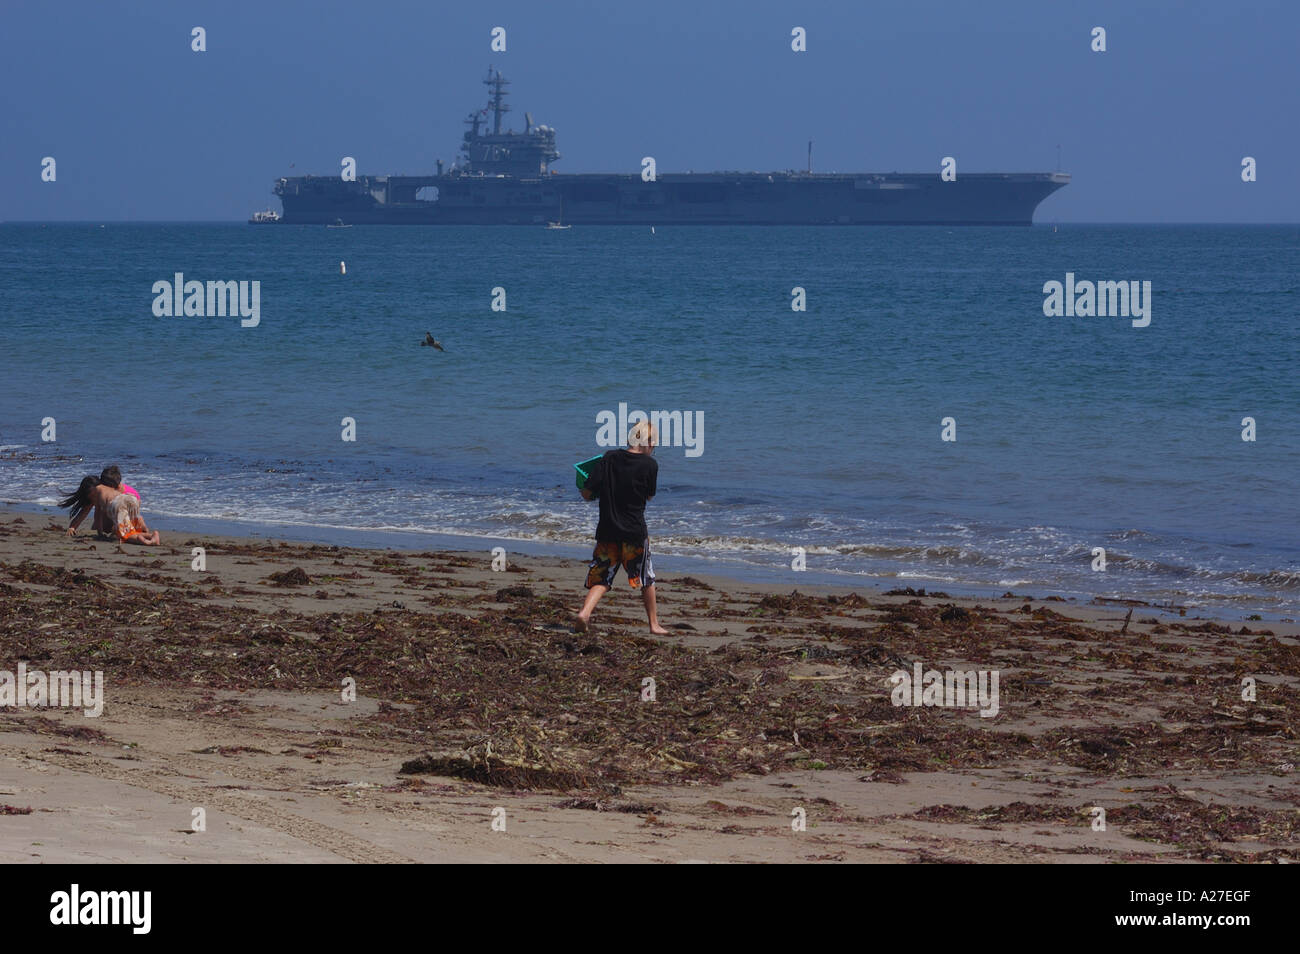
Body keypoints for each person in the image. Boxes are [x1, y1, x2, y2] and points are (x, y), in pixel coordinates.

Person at [575, 419, 668, 634]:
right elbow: (650, 495)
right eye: (654, 444)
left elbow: (587, 493)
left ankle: (584, 614)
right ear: (648, 442)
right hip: (634, 533)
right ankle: (654, 624)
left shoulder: (608, 458)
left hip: (607, 530)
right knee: (646, 578)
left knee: (602, 578)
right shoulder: (650, 465)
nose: (654, 449)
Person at [59, 473, 160, 545]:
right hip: (132, 499)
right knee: (133, 526)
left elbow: (97, 515)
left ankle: (149, 540)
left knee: (126, 535)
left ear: (90, 491)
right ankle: (147, 533)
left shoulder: (98, 494)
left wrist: (100, 533)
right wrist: (73, 527)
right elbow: (84, 512)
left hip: (118, 504)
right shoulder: (110, 487)